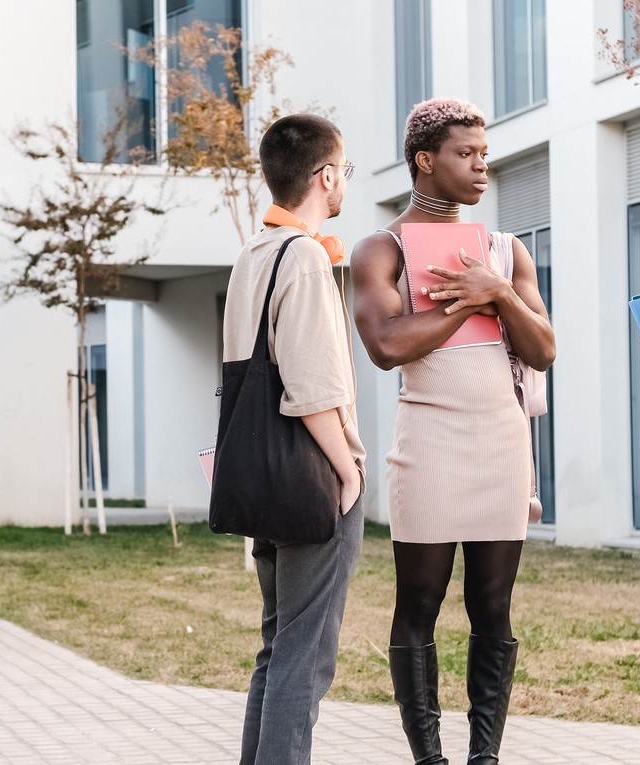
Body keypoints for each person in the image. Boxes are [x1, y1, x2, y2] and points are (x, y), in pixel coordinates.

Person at [350, 98, 555, 765]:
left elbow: (544, 348)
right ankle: (429, 759)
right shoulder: (380, 250)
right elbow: (386, 345)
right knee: (420, 600)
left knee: (491, 605)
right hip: (428, 444)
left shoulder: (504, 252)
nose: (479, 168)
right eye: (465, 155)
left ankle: (483, 757)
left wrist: (494, 290)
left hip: (500, 443)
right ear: (424, 160)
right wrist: (463, 299)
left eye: (483, 156)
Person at [224, 113, 365, 765]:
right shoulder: (304, 255)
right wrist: (350, 472)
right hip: (312, 479)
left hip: (261, 476)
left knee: (278, 646)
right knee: (305, 660)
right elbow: (311, 390)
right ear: (325, 175)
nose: (345, 185)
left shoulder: (253, 254)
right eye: (345, 172)